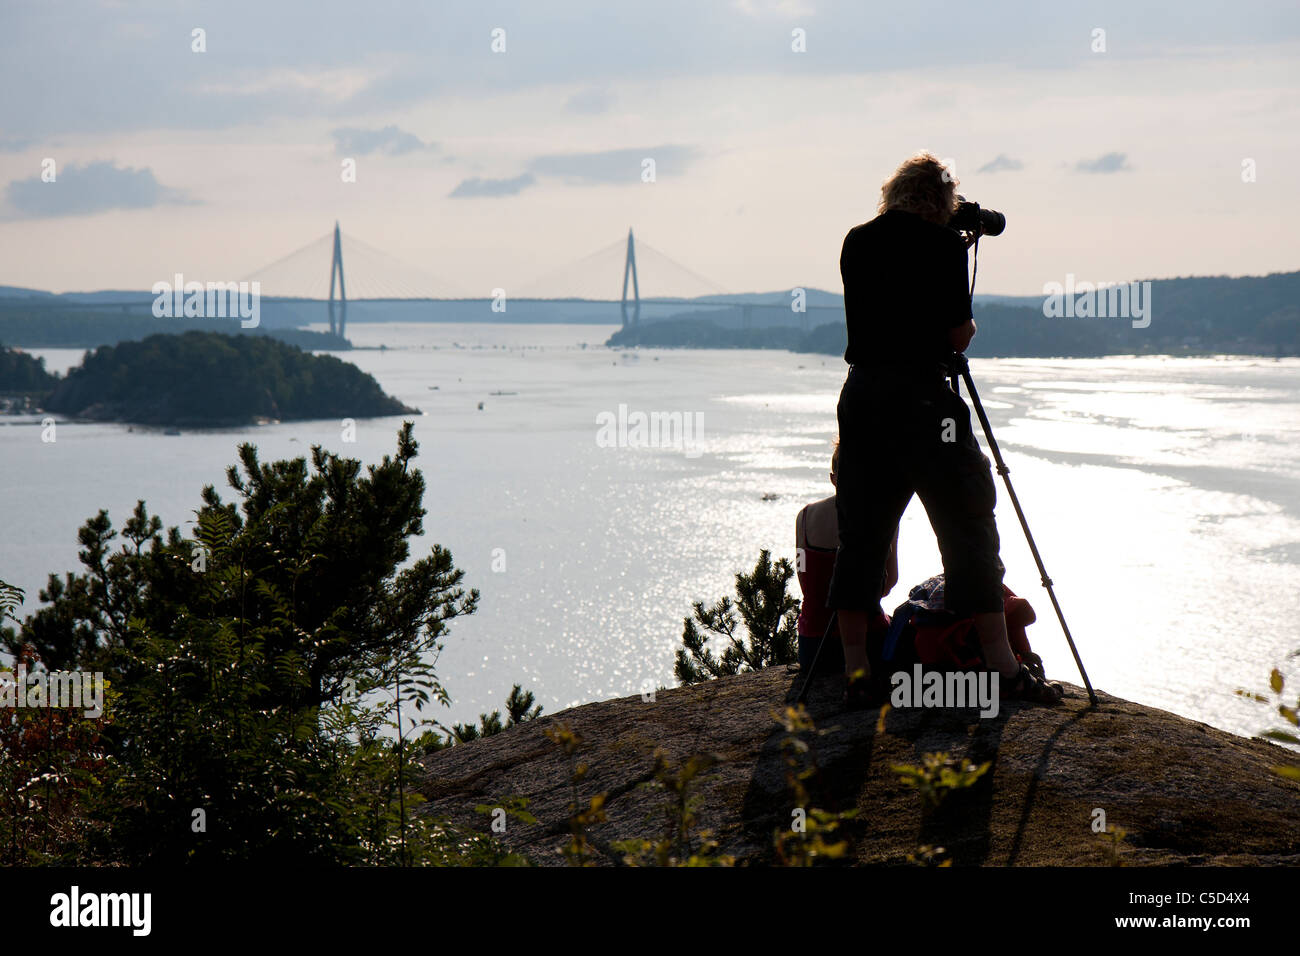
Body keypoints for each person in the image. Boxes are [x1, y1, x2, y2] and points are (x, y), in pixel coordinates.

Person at [828, 151, 1062, 708]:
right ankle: (1002, 667)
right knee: (968, 524)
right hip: (925, 400)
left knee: (860, 535)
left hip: (862, 400)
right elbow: (957, 336)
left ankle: (856, 674)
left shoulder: (856, 241)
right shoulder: (943, 247)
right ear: (942, 200)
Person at [794, 438, 897, 677]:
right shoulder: (884, 517)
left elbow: (803, 575)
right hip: (868, 641)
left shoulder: (805, 517)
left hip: (812, 646)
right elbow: (887, 584)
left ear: (833, 478)